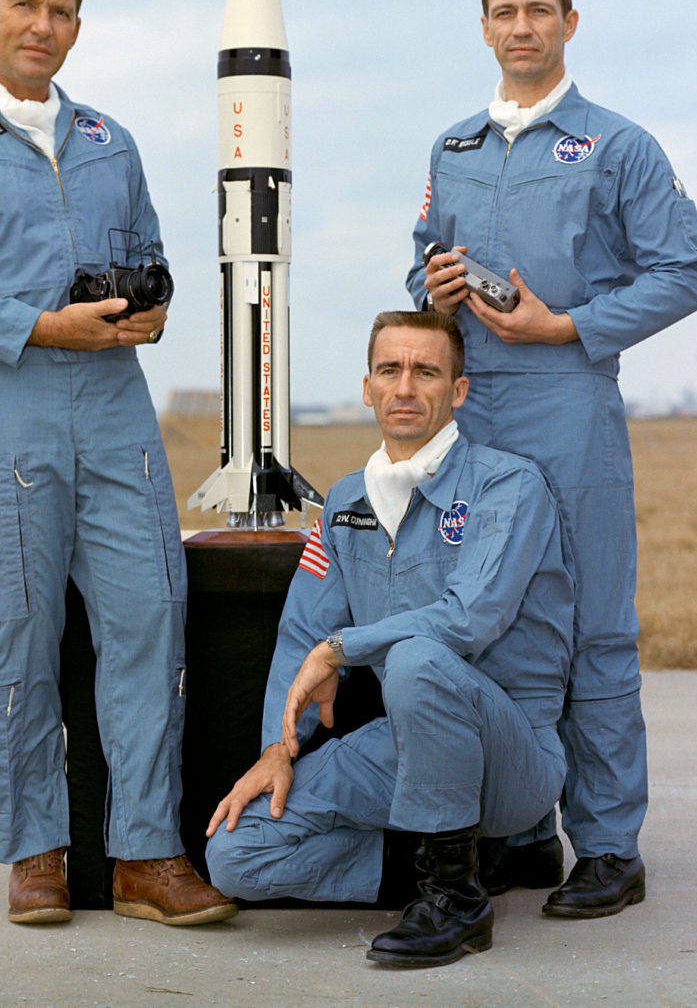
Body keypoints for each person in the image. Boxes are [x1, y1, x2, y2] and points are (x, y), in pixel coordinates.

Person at [0, 0, 235, 928]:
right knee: (17, 639)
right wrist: (42, 326)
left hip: (115, 411)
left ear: (79, 25)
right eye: (26, 6)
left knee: (149, 623)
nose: (44, 26)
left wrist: (148, 308)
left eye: (63, 12)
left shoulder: (109, 139)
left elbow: (150, 256)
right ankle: (36, 850)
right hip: (2, 416)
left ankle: (148, 854)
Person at [408, 0, 697, 919]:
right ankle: (522, 829)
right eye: (505, 12)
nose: (522, 27)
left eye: (540, 11)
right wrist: (435, 290)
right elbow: (420, 267)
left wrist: (566, 326)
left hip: (566, 397)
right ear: (485, 27)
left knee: (591, 631)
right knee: (487, 622)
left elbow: (683, 272)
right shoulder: (451, 149)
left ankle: (612, 846)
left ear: (570, 23)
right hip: (471, 413)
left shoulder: (619, 147)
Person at [205, 309, 574, 970]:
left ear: (457, 390)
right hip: (402, 746)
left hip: (508, 757)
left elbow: (469, 618)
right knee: (237, 853)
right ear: (369, 387)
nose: (405, 387)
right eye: (390, 370)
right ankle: (452, 862)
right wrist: (276, 747)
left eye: (426, 371)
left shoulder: (508, 487)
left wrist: (340, 650)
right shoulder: (345, 503)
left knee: (416, 658)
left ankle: (457, 905)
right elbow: (302, 635)